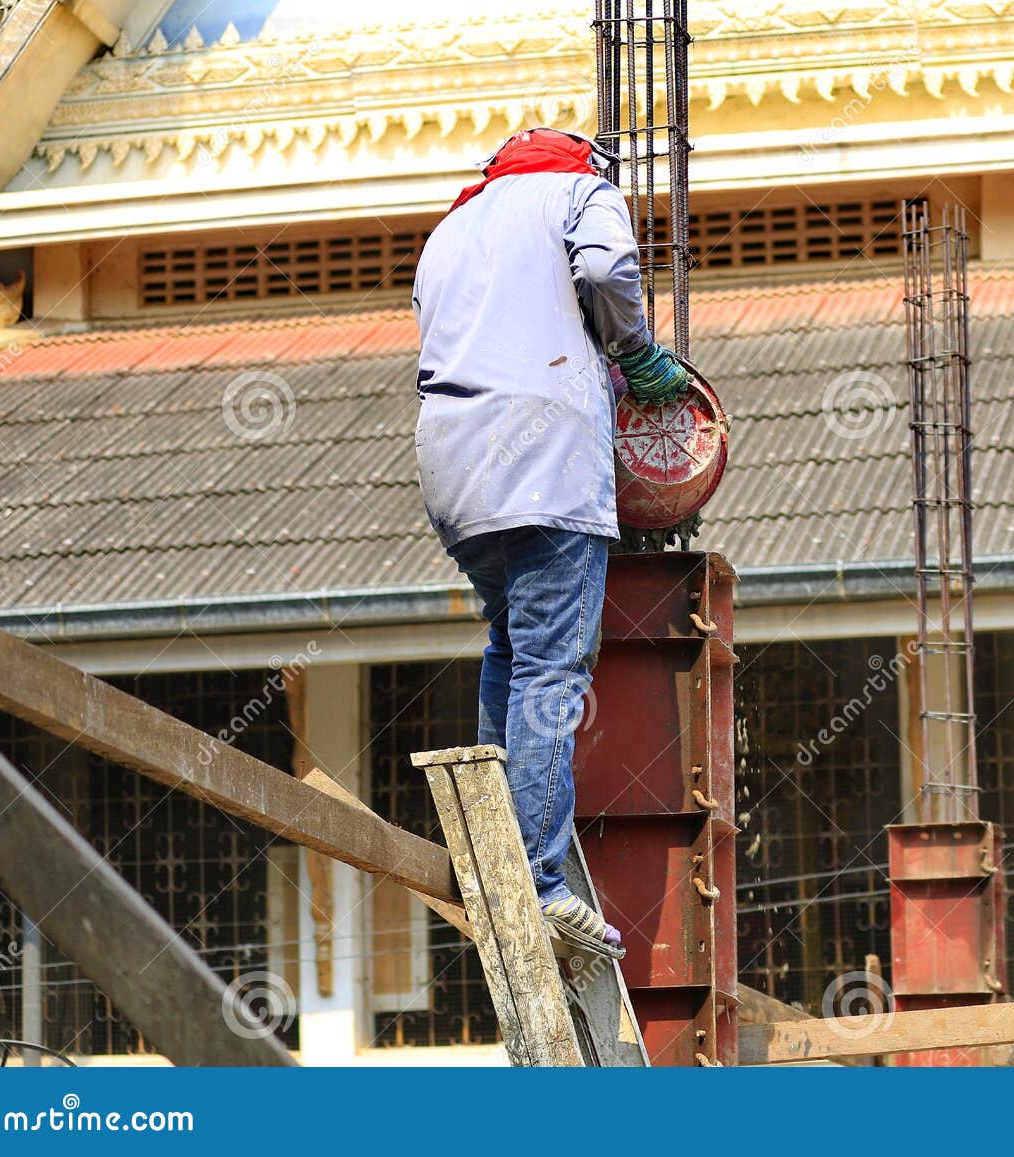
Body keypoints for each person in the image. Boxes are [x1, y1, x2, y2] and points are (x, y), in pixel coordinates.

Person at [412, 128, 690, 957]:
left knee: (509, 644)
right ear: (582, 163)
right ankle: (534, 877)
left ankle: (495, 852)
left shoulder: (450, 226)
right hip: (543, 461)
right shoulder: (580, 193)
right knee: (550, 667)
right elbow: (606, 272)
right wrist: (636, 355)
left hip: (454, 467)